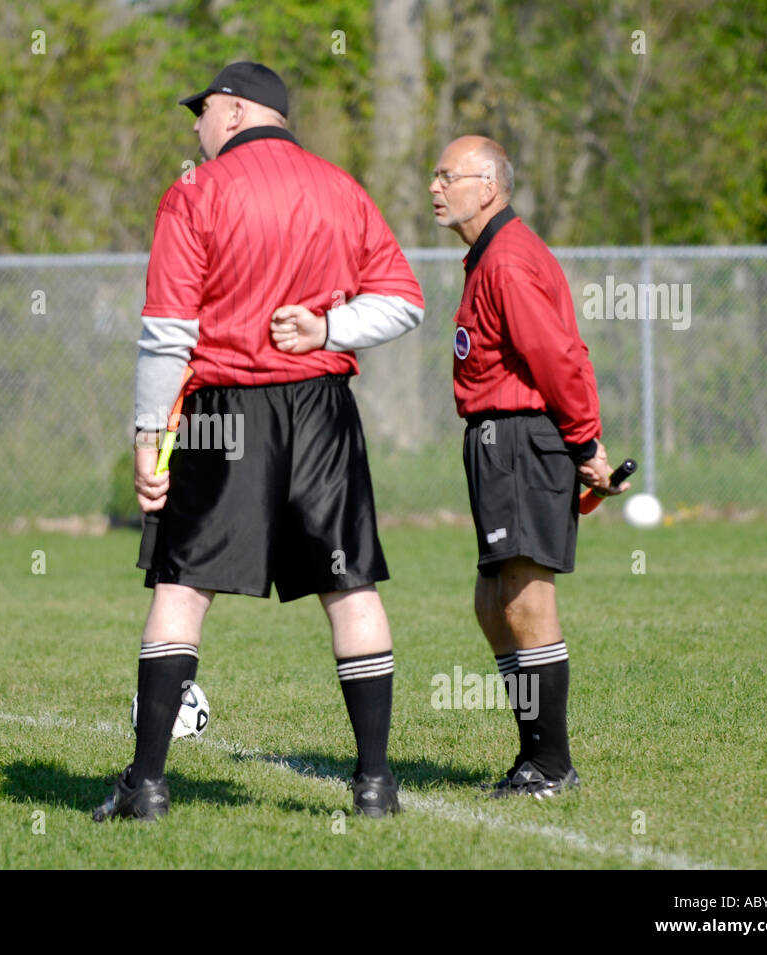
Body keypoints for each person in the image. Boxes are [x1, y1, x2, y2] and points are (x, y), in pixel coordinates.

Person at [93, 63, 425, 822]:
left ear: (238, 110)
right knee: (351, 587)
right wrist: (331, 328)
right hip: (321, 408)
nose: (196, 126)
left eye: (202, 111)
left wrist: (149, 435)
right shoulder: (342, 188)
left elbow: (168, 333)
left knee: (181, 587)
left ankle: (146, 785)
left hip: (223, 410)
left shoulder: (196, 193)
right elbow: (406, 302)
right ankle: (374, 786)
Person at [428, 135, 628, 797]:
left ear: (487, 187)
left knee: (523, 595)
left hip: (519, 440)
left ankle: (551, 764)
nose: (434, 188)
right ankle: (534, 754)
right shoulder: (487, 257)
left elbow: (558, 357)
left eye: (446, 176)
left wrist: (584, 445)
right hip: (495, 442)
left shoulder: (509, 260)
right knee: (493, 602)